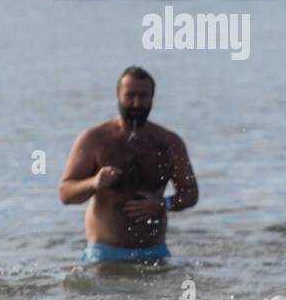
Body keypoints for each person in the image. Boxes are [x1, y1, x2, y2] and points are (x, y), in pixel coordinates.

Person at [59, 67, 199, 263]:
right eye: (130, 95)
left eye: (143, 96)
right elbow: (65, 194)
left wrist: (164, 204)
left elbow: (190, 193)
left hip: (155, 254)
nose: (136, 103)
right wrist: (94, 183)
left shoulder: (169, 142)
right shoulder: (94, 139)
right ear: (117, 95)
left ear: (153, 97)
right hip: (104, 256)